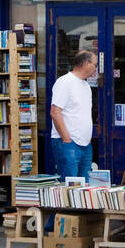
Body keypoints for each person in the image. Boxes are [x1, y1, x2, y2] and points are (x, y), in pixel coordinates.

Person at [50, 50, 97, 181]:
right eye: (95, 64)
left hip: (85, 144)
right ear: (86, 63)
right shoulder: (65, 82)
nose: (96, 69)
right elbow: (55, 111)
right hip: (69, 143)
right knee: (69, 186)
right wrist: (66, 139)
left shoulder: (86, 86)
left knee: (84, 186)